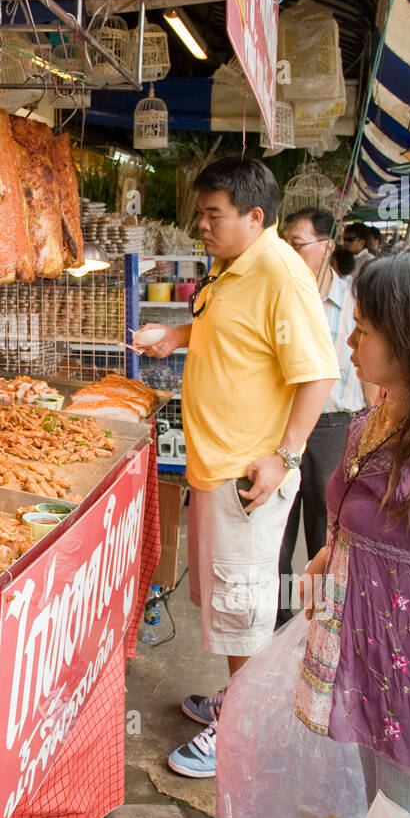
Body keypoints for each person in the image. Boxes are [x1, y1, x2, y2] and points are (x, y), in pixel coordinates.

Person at [135, 158, 339, 778]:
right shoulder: (233, 268)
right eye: (200, 213)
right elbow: (231, 335)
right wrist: (174, 339)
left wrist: (284, 457)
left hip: (248, 476)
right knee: (226, 605)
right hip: (215, 468)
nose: (202, 224)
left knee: (245, 610)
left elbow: (319, 374)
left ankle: (242, 731)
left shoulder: (281, 272)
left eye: (213, 214)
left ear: (255, 217)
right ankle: (238, 699)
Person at [296, 249, 410, 815]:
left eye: (363, 331)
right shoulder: (376, 416)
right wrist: (329, 551)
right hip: (368, 654)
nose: (348, 344)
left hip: (408, 672)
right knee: (382, 810)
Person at [277, 210, 378, 627]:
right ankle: (278, 619)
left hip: (335, 430)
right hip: (283, 428)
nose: (289, 252)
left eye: (298, 244)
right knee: (278, 532)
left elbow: (369, 373)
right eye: (285, 243)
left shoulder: (355, 302)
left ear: (326, 246)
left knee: (326, 534)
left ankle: (317, 626)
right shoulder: (280, 296)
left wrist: (372, 427)